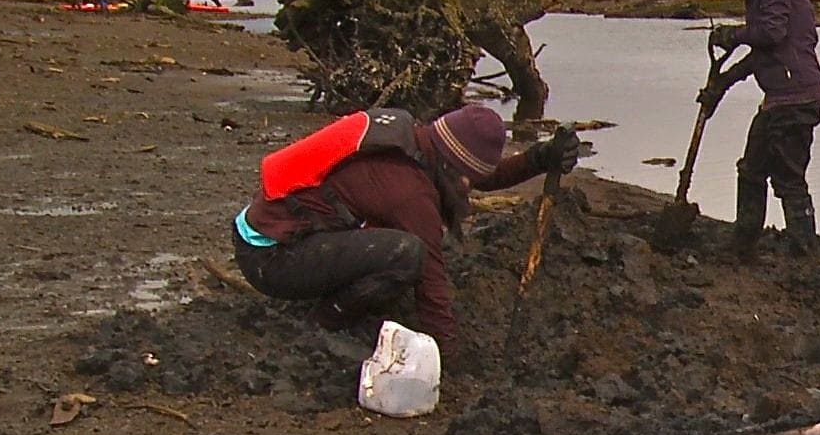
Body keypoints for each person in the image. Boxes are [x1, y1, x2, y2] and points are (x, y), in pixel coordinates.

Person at [230, 104, 576, 363]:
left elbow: (472, 173)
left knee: (402, 251)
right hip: (272, 261)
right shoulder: (409, 193)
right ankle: (325, 322)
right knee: (406, 254)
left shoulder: (419, 140)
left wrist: (539, 158)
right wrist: (444, 354)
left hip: (269, 235)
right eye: (467, 180)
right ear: (452, 166)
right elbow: (431, 281)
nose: (470, 187)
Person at [697, 0, 820, 257]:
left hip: (795, 98)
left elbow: (771, 33)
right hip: (781, 97)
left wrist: (733, 35)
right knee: (752, 168)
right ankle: (743, 244)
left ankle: (804, 252)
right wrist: (724, 82)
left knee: (788, 178)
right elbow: (765, 52)